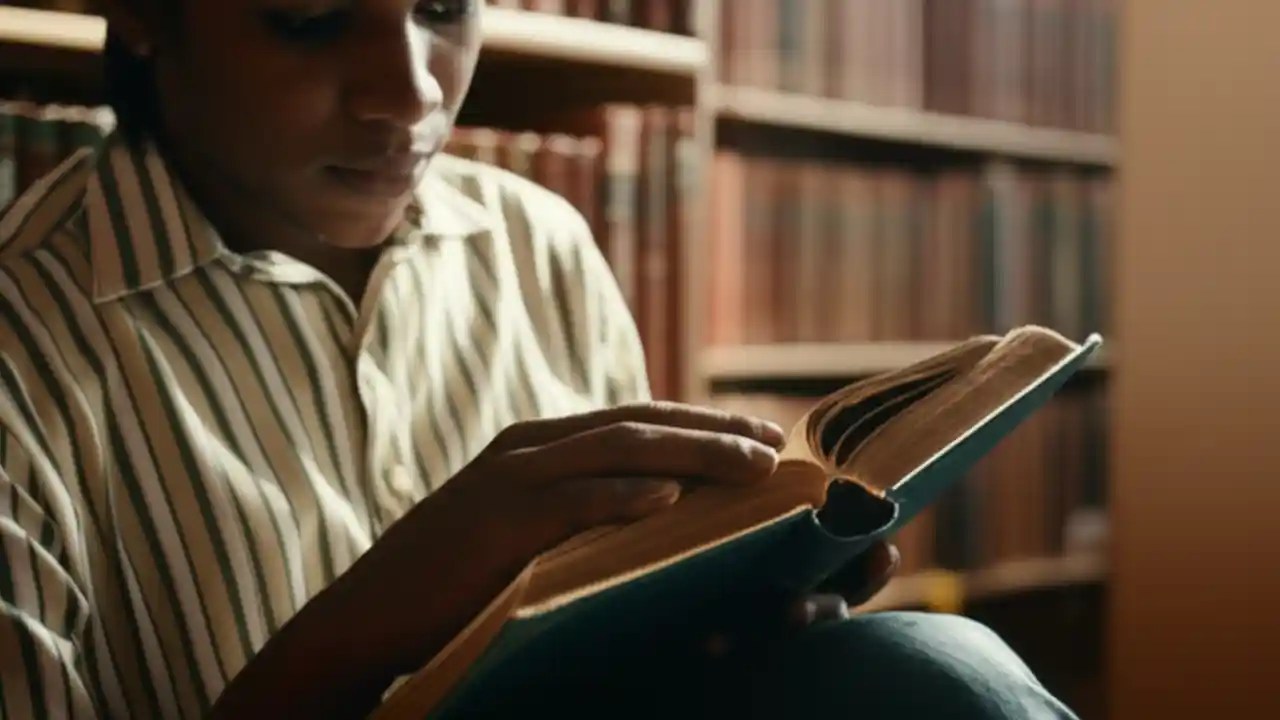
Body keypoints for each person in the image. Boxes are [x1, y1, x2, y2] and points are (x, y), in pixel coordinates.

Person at [0, 1, 1079, 718]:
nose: (412, 92)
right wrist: (377, 618)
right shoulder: (27, 341)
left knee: (934, 673)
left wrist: (732, 593)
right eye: (311, 17)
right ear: (143, 12)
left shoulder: (534, 241)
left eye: (444, 7)